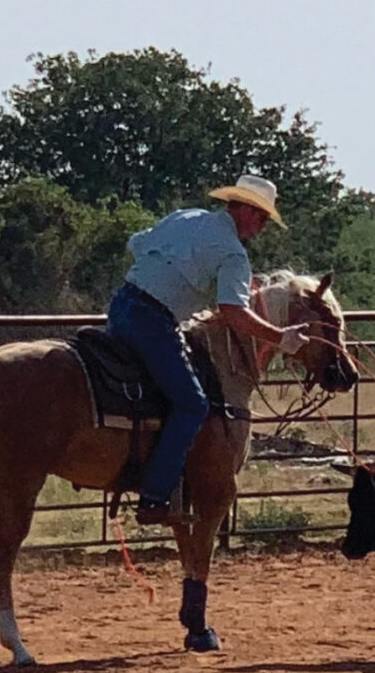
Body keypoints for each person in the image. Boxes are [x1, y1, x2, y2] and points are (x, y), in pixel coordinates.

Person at [106, 174, 309, 525]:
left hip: (122, 305)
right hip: (154, 323)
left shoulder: (186, 216)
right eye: (260, 217)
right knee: (192, 404)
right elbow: (234, 313)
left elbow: (135, 244)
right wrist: (281, 338)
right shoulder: (233, 253)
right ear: (244, 209)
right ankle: (155, 496)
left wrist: (178, 283)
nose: (261, 226)